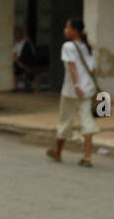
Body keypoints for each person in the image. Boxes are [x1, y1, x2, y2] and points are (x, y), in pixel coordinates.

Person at [46, 16, 97, 166]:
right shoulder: (89, 47)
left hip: (71, 90)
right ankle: (87, 157)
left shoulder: (68, 46)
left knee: (65, 120)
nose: (65, 30)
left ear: (75, 30)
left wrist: (76, 85)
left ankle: (58, 152)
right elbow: (93, 69)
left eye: (68, 27)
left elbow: (72, 67)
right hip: (87, 89)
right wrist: (86, 85)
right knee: (87, 121)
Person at [12, 26, 37, 91]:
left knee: (29, 67)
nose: (18, 35)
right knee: (16, 66)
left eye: (20, 34)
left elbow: (32, 52)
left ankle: (29, 85)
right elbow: (15, 55)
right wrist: (20, 63)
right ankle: (16, 87)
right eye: (17, 34)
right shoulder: (15, 44)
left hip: (27, 60)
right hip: (20, 61)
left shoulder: (26, 42)